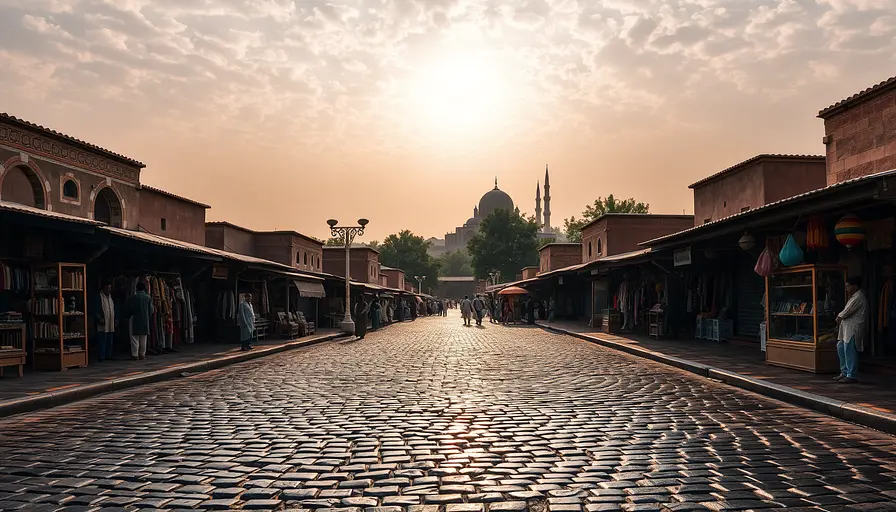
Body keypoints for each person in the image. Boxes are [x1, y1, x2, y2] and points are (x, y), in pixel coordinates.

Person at [835, 276, 867, 383]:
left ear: (855, 286)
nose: (846, 289)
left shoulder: (859, 297)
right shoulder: (852, 297)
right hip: (845, 329)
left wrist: (839, 316)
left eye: (848, 286)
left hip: (853, 329)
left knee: (850, 350)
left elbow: (847, 312)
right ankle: (844, 371)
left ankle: (851, 375)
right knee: (840, 347)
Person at [124, 281, 154, 360]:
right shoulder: (148, 297)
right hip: (145, 319)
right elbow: (151, 310)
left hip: (134, 319)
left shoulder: (133, 298)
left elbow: (128, 309)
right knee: (143, 338)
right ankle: (142, 354)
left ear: (136, 288)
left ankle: (135, 354)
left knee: (134, 338)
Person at [95, 279, 117, 362]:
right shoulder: (99, 297)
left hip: (110, 322)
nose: (109, 290)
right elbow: (95, 309)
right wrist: (99, 318)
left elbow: (115, 309)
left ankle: (108, 355)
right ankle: (101, 356)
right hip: (102, 323)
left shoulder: (111, 297)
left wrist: (116, 320)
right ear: (103, 288)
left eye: (110, 288)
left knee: (109, 340)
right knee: (102, 340)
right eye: (108, 288)